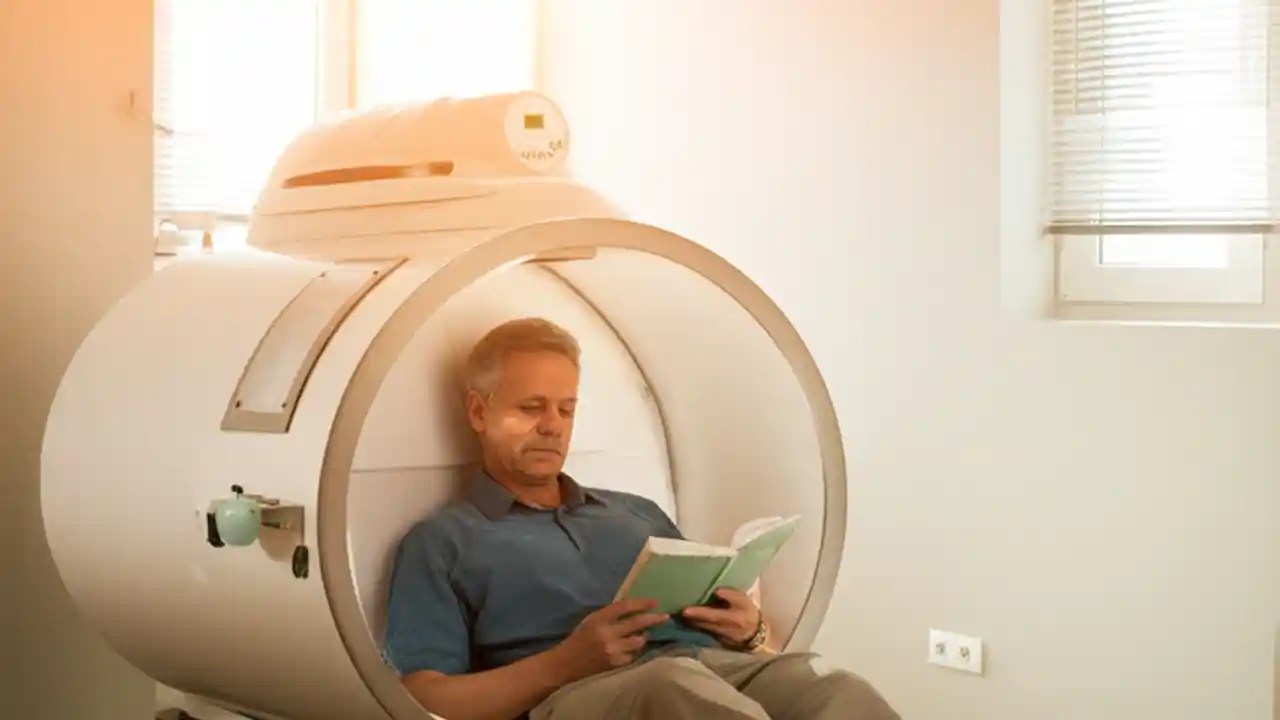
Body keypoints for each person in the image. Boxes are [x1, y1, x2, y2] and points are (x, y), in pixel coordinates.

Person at [383, 317, 899, 720]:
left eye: (566, 410)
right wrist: (565, 661)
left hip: (710, 668)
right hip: (581, 694)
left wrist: (749, 631)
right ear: (479, 412)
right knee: (674, 690)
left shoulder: (634, 512)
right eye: (531, 407)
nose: (552, 427)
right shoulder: (443, 541)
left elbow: (727, 629)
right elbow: (426, 699)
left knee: (831, 688)